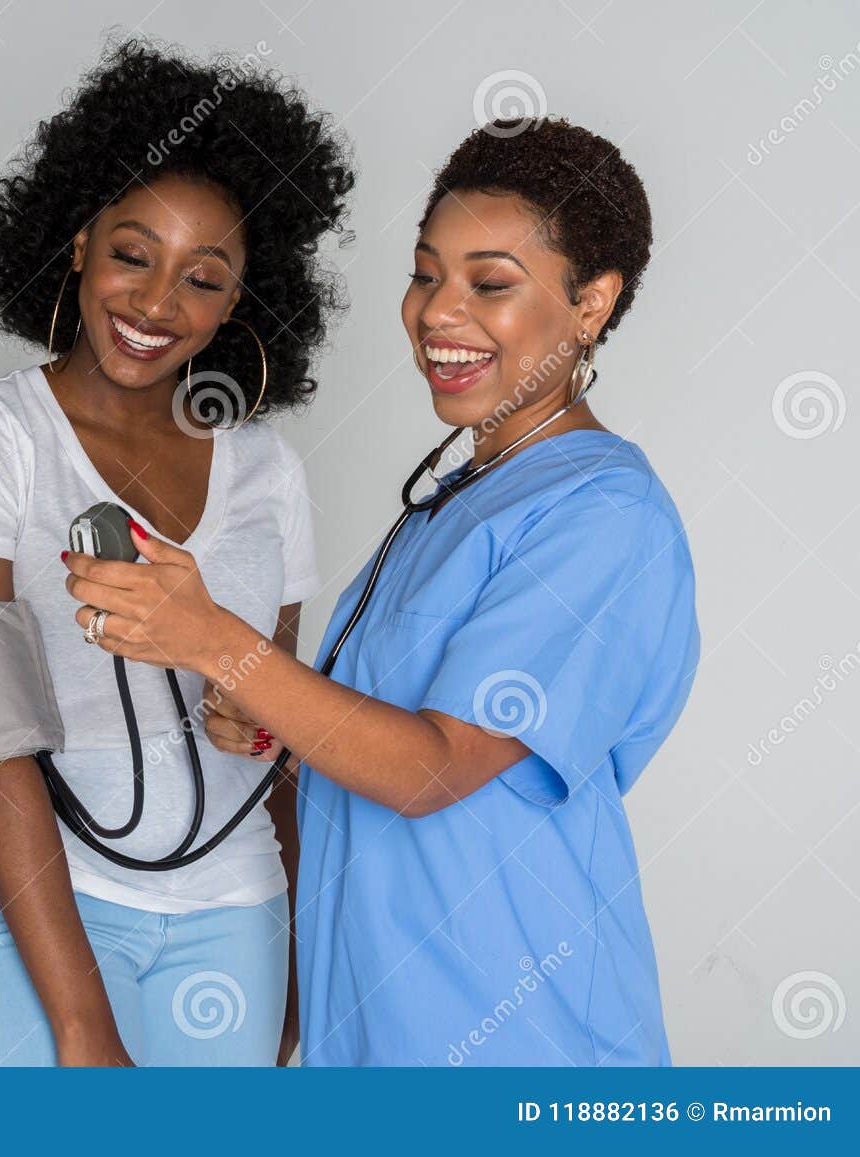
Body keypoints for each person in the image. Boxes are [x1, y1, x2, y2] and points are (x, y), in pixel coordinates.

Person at [62, 117, 699, 1066]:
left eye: (489, 283)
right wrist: (277, 732)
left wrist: (212, 640)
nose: (438, 311)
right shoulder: (457, 498)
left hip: (520, 1037)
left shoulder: (603, 511)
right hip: (369, 1032)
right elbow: (387, 736)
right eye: (424, 273)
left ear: (591, 302)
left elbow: (432, 770)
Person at [0, 39, 353, 1066]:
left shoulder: (266, 471)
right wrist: (77, 1015)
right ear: (76, 242)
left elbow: (273, 724)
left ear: (242, 300)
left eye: (203, 277)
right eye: (131, 253)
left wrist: (297, 955)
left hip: (238, 904)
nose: (155, 305)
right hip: (44, 901)